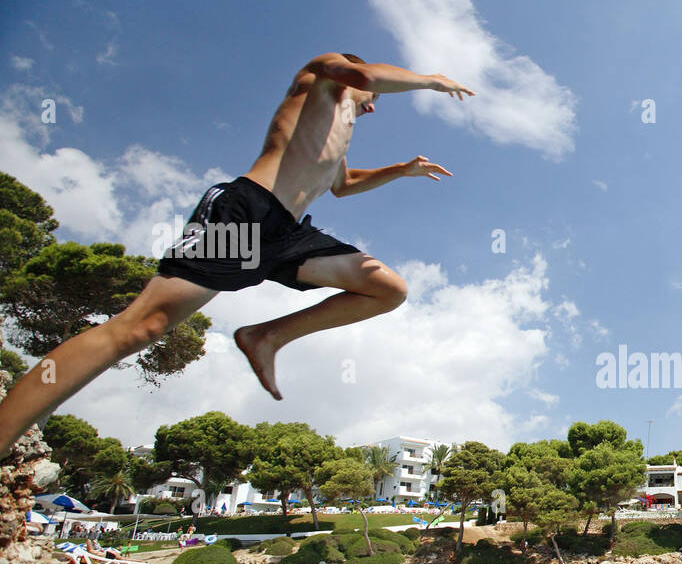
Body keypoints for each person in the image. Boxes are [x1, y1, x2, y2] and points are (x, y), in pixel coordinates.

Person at [0, 54, 474, 458]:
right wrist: (432, 79)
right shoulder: (325, 76)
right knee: (141, 328)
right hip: (246, 214)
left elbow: (343, 186)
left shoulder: (339, 133)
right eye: (374, 102)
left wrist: (402, 170)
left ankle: (265, 337)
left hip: (287, 236)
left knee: (388, 289)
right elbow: (366, 77)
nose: (373, 108)